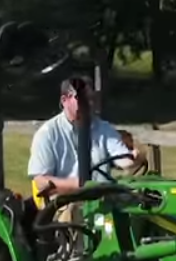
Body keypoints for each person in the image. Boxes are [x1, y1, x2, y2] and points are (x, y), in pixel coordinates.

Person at [27, 75, 139, 221]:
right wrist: (79, 185)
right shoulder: (47, 134)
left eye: (91, 98)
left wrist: (135, 156)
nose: (89, 103)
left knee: (136, 207)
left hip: (102, 197)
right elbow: (40, 182)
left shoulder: (103, 128)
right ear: (64, 100)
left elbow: (124, 160)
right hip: (63, 203)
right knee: (77, 212)